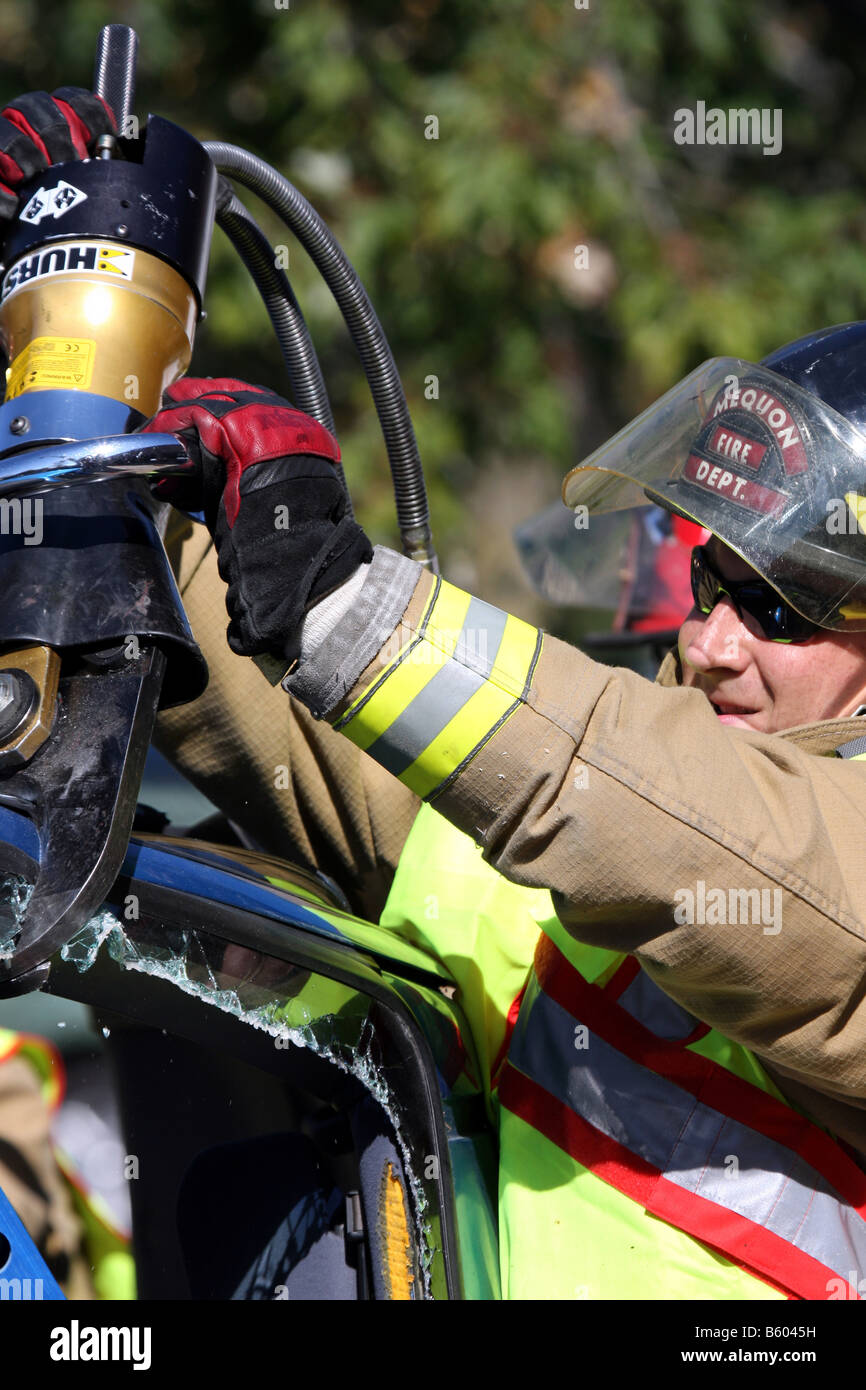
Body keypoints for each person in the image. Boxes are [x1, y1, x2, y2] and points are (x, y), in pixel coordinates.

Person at [4, 87, 866, 1302]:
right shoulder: (550, 815)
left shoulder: (743, 844)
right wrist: (57, 367)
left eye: (781, 608)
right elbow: (246, 675)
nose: (715, 642)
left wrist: (342, 602)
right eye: (709, 579)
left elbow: (693, 827)